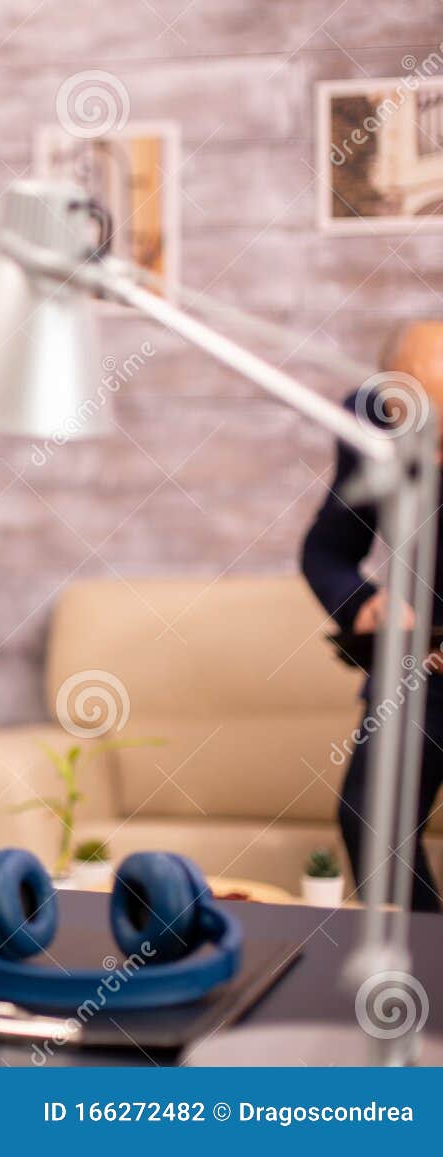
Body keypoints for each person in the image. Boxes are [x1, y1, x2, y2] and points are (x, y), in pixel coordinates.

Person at [301, 320, 443, 912]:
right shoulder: (367, 422)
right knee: (370, 818)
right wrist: (365, 605)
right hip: (422, 667)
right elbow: (327, 550)